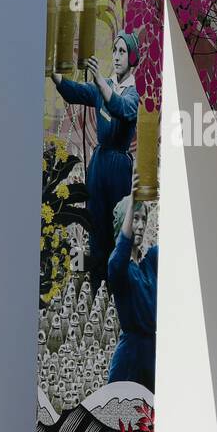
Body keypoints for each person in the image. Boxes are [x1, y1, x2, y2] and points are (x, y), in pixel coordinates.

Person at [52, 32, 140, 290]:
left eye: (122, 51)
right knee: (96, 227)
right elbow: (75, 92)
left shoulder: (134, 93)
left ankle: (116, 291)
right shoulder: (103, 86)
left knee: (116, 230)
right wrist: (55, 75)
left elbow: (121, 108)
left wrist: (101, 82)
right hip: (99, 165)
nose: (116, 56)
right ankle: (96, 286)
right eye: (114, 50)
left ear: (132, 57)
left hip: (119, 168)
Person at [106, 167, 157, 392]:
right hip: (130, 359)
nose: (140, 224)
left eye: (143, 219)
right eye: (134, 218)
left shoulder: (149, 264)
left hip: (151, 354)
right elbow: (121, 248)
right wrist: (133, 198)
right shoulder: (119, 268)